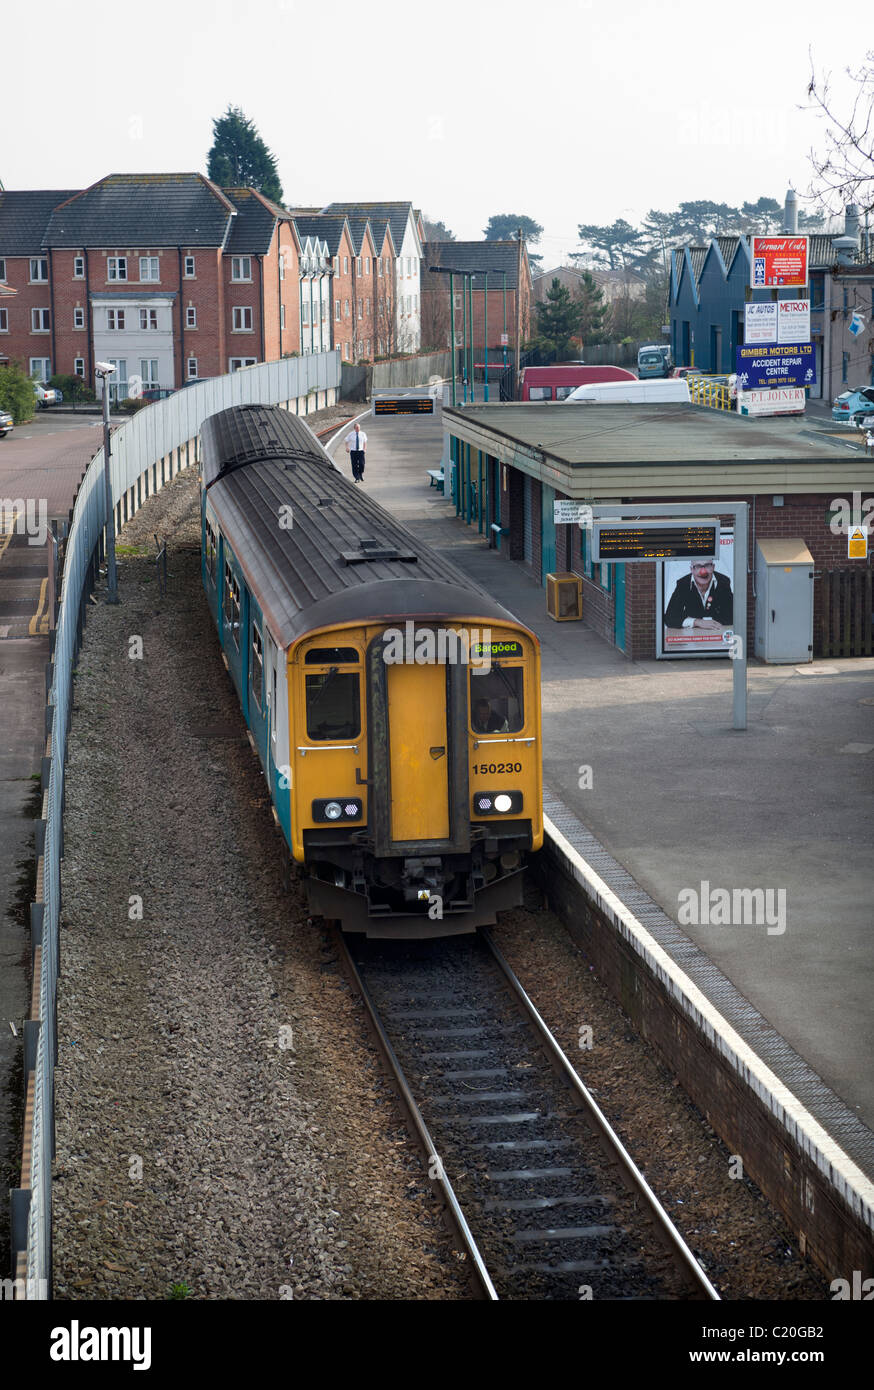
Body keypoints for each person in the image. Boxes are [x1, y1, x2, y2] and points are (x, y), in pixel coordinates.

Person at [664, 558, 733, 629]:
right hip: (692, 634)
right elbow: (669, 618)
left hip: (717, 632)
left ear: (713, 567)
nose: (703, 572)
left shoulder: (723, 582)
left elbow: (731, 616)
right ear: (692, 569)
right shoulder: (683, 584)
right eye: (697, 566)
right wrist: (696, 622)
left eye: (707, 565)